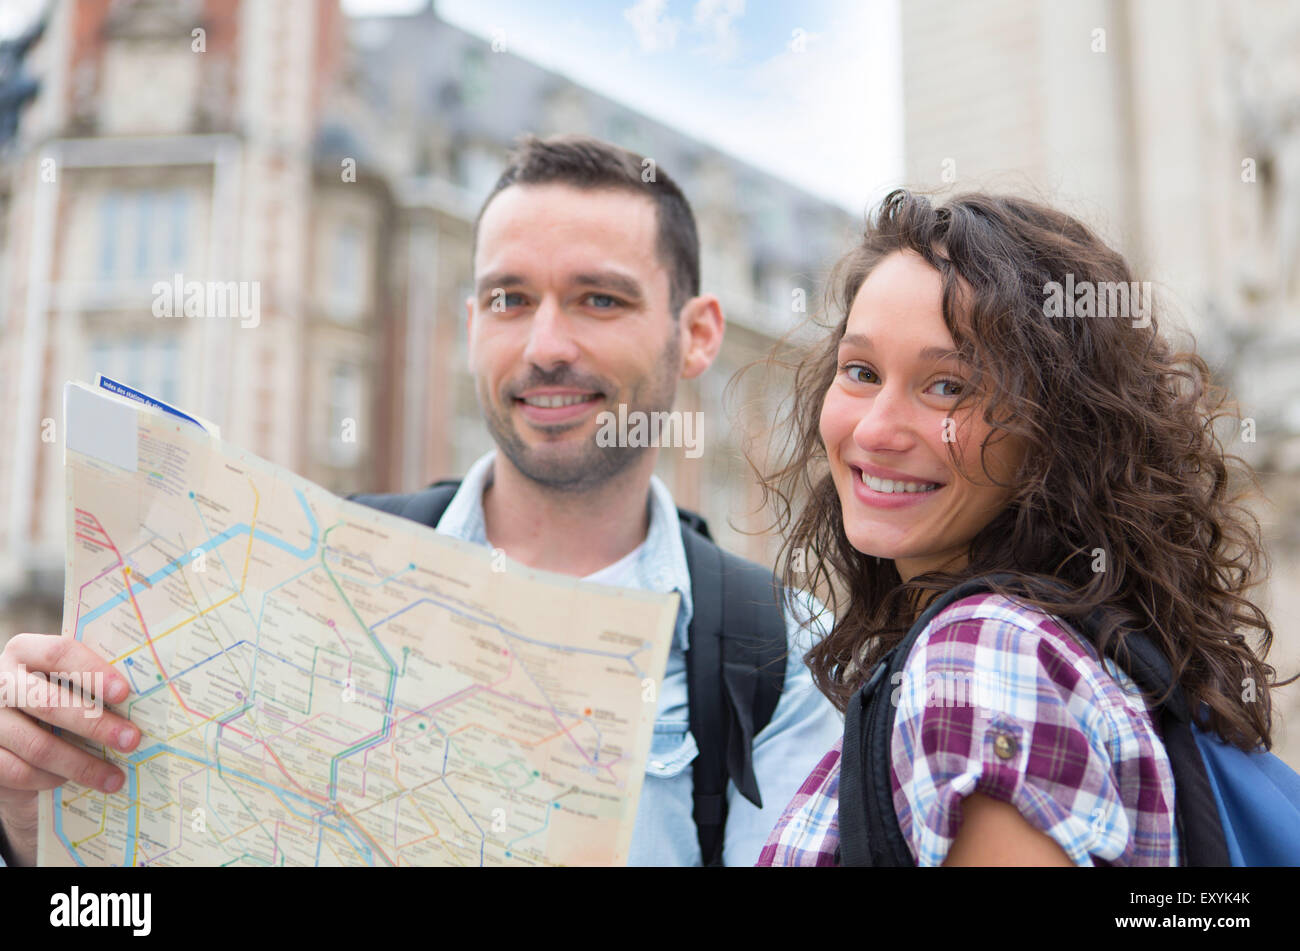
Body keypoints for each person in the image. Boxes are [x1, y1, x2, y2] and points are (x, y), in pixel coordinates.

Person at [0, 134, 843, 867]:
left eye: (600, 299)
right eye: (510, 299)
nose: (547, 346)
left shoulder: (784, 652)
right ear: (472, 320)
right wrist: (42, 826)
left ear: (696, 334)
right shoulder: (305, 572)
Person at [753, 188, 1291, 866]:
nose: (875, 429)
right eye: (860, 372)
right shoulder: (1064, 641)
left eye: (948, 385)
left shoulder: (981, 654)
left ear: (1054, 429)